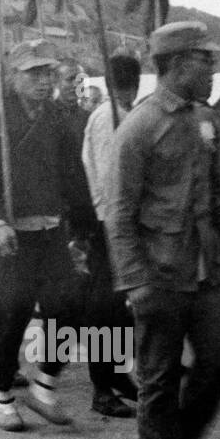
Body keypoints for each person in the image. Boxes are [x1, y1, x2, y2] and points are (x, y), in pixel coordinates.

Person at [105, 22, 220, 439]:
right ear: (179, 63)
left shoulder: (205, 120)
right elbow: (118, 213)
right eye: (206, 60)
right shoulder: (139, 128)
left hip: (205, 271)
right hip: (158, 273)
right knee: (159, 377)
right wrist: (135, 282)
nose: (212, 69)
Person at [0, 40, 98, 431]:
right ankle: (4, 396)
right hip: (10, 238)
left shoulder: (59, 119)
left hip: (52, 233)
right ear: (14, 77)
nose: (45, 81)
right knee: (7, 316)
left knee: (69, 305)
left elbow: (73, 176)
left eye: (48, 73)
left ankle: (44, 387)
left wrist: (83, 228)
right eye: (34, 74)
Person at [80, 53, 143, 418]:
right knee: (106, 308)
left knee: (121, 307)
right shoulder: (107, 118)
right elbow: (106, 176)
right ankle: (102, 388)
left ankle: (118, 374)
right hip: (110, 222)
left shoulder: (127, 113)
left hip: (123, 221)